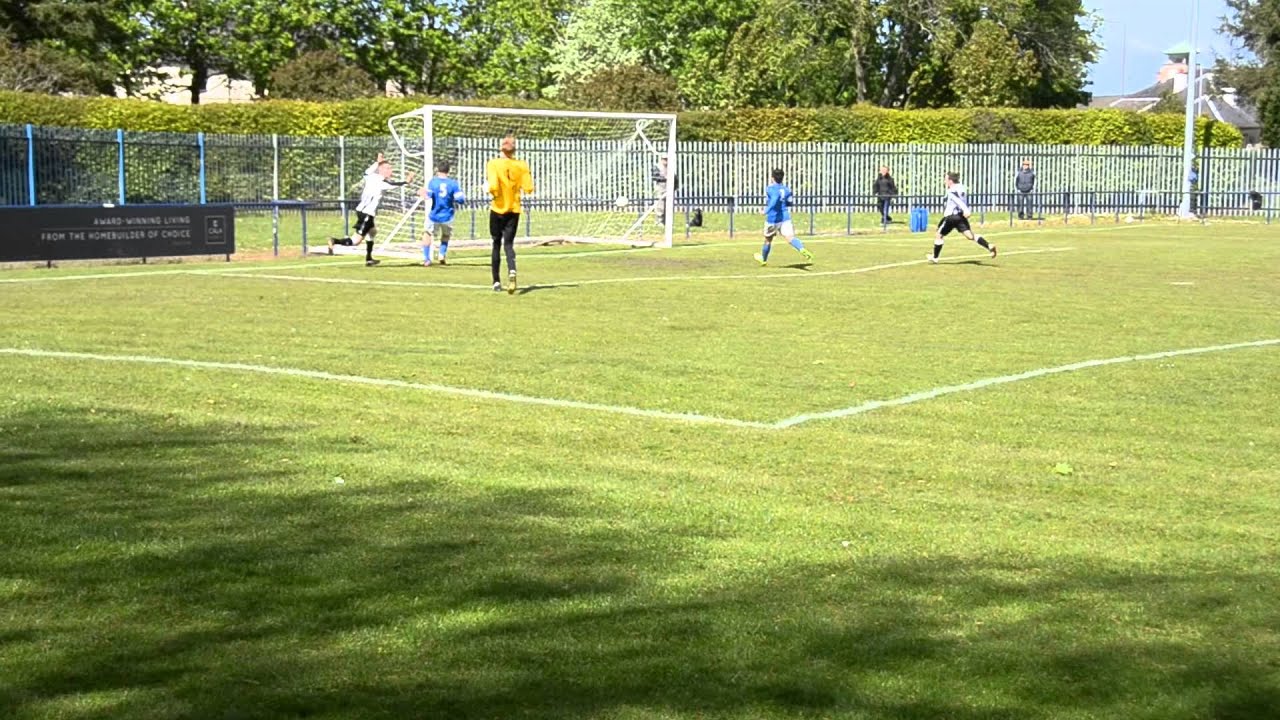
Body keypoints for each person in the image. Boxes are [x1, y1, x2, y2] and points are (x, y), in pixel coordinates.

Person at [329, 153, 415, 267]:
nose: (390, 171)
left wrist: (377, 162)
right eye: (387, 168)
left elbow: (366, 172)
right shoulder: (382, 182)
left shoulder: (370, 176)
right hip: (367, 214)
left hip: (361, 211)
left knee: (372, 232)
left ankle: (369, 259)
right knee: (356, 241)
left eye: (391, 168)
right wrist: (407, 181)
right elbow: (394, 184)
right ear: (380, 170)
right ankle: (334, 241)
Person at [486, 135, 534, 294]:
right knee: (508, 244)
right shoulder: (522, 165)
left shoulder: (493, 163)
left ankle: (496, 281)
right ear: (514, 149)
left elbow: (493, 185)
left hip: (497, 208)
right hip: (513, 209)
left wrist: (490, 190)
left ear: (501, 147)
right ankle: (512, 270)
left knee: (496, 243)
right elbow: (528, 188)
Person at [931, 171, 996, 264]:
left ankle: (935, 257)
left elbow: (957, 200)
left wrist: (966, 210)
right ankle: (988, 245)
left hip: (951, 216)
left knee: (938, 235)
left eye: (946, 179)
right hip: (960, 216)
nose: (944, 181)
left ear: (950, 181)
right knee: (970, 236)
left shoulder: (951, 190)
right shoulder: (961, 188)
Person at [754, 168, 814, 266]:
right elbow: (790, 202)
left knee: (768, 240)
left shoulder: (770, 189)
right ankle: (801, 248)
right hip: (785, 218)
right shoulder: (787, 190)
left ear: (772, 178)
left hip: (773, 219)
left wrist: (765, 211)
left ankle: (763, 260)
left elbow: (774, 199)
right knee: (790, 237)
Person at [420, 160, 464, 267]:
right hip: (447, 216)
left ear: (437, 170)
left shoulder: (433, 182)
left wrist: (423, 193)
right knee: (445, 235)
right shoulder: (453, 184)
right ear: (449, 170)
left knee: (427, 234)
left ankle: (426, 259)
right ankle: (441, 254)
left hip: (434, 215)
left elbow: (428, 196)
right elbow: (460, 200)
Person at [651, 157, 675, 225]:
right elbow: (654, 177)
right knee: (660, 205)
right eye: (665, 159)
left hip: (669, 187)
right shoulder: (657, 167)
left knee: (669, 205)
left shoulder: (670, 167)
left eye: (667, 159)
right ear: (661, 159)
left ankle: (667, 221)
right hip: (660, 187)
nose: (666, 161)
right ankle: (659, 221)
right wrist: (664, 178)